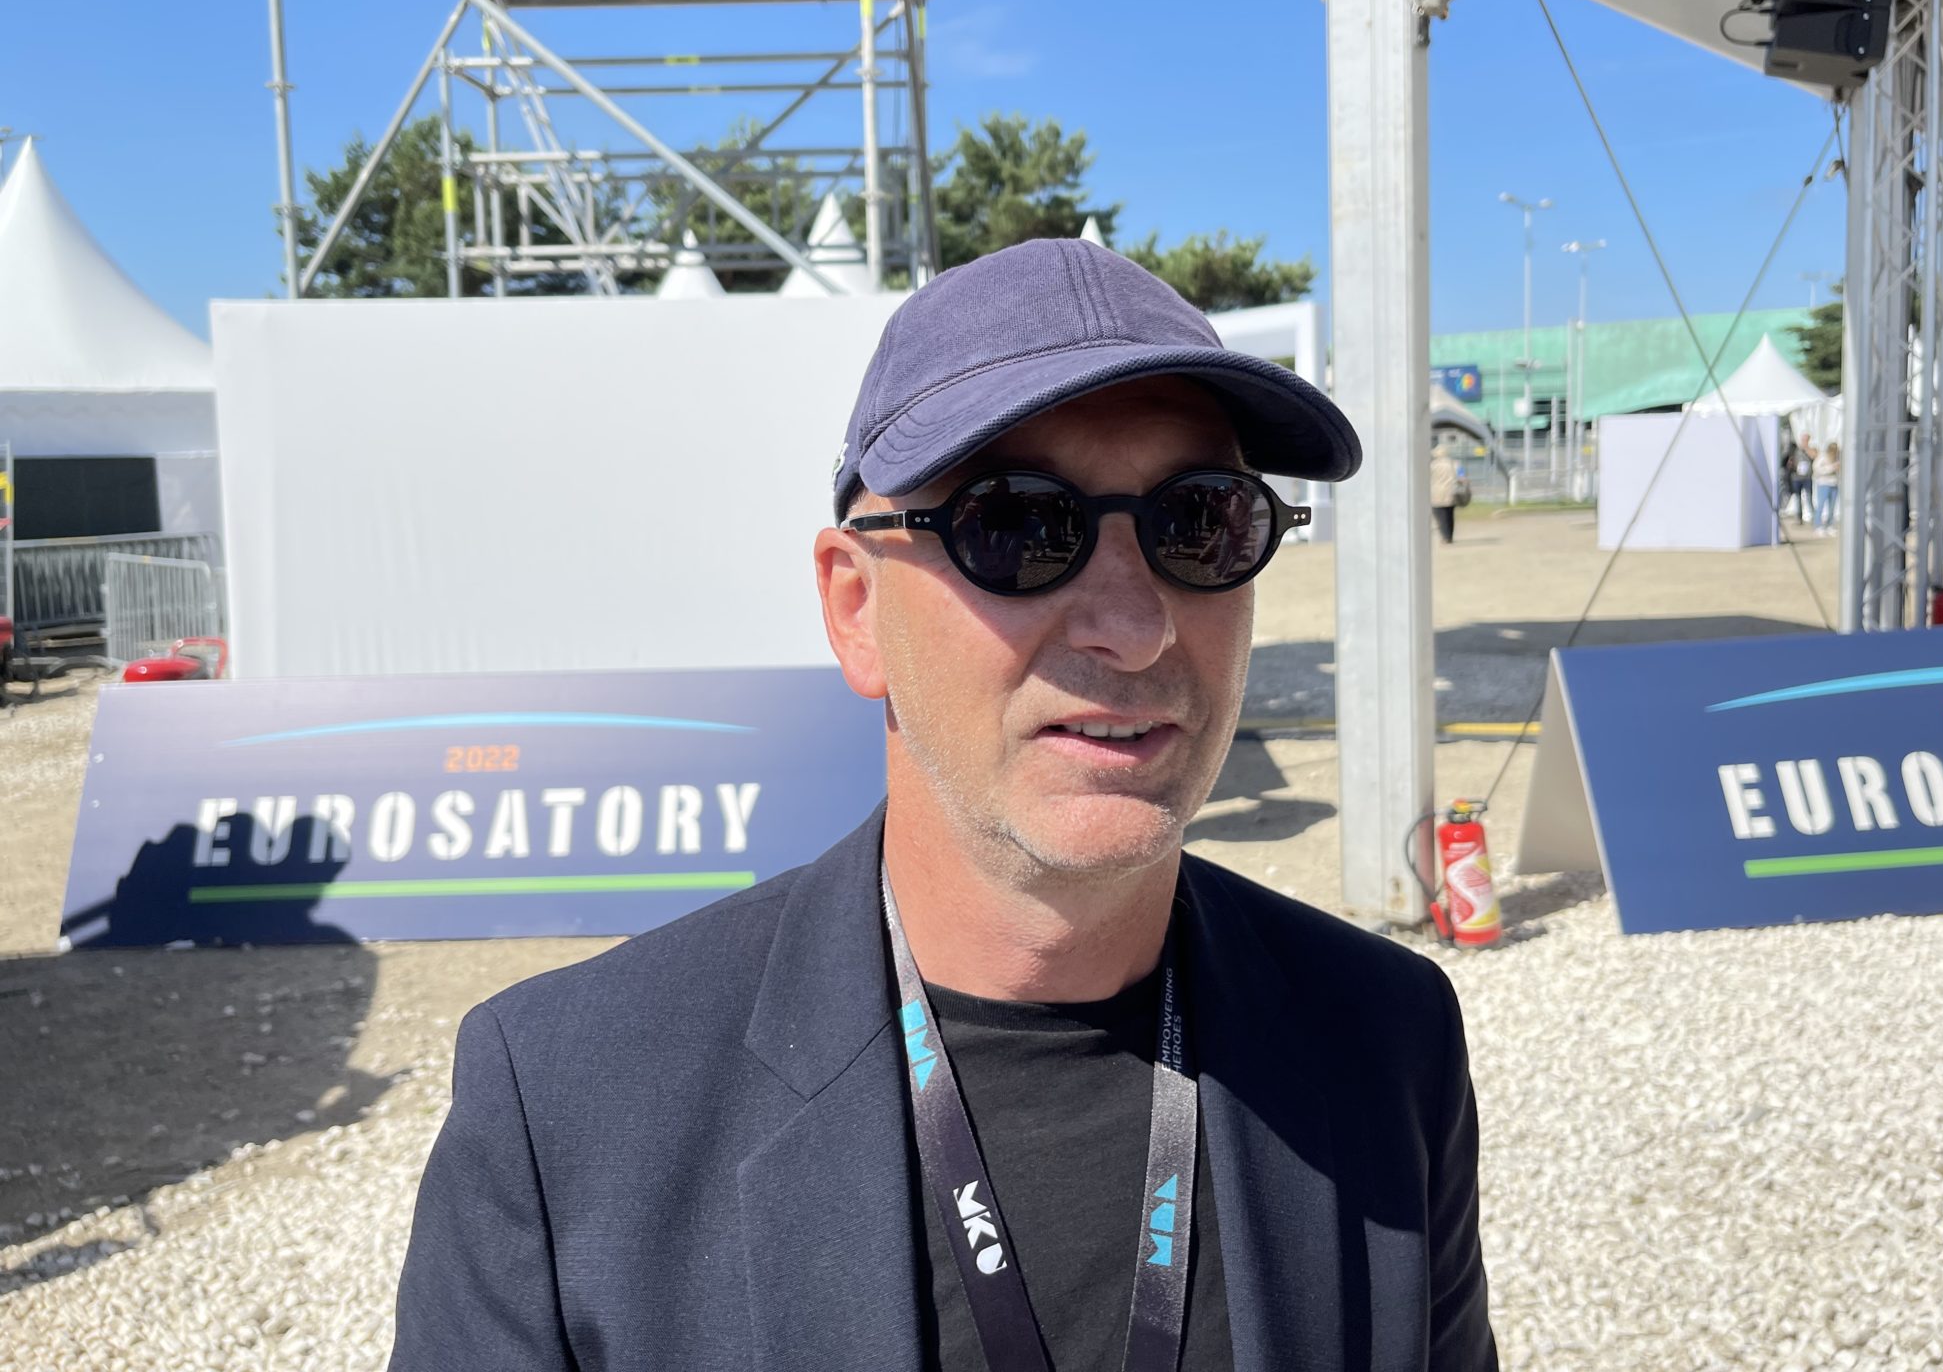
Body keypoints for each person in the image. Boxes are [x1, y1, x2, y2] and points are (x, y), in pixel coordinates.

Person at [388, 238, 1498, 1371]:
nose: (1135, 625)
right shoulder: (568, 1110)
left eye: (1198, 521)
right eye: (1017, 526)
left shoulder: (1382, 1040)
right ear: (854, 608)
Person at [1430, 442, 1461, 542]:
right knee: (1449, 515)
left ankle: (1444, 536)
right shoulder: (1455, 464)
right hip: (1451, 491)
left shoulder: (1432, 465)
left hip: (1437, 492)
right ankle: (1449, 536)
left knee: (1439, 515)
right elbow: (1461, 476)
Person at [1813, 440, 1841, 535]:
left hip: (1834, 483)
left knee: (1832, 506)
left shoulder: (1837, 458)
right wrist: (1831, 468)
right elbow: (1817, 469)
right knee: (1821, 504)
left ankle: (1830, 525)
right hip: (1823, 483)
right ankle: (1818, 525)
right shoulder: (1822, 457)